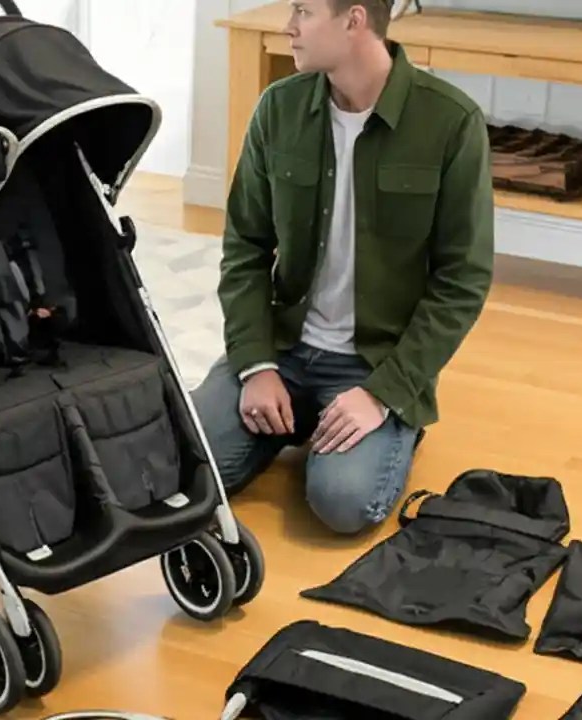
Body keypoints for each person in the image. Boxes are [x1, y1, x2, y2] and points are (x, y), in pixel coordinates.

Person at [191, 0, 495, 535]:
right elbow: (245, 247)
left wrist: (385, 393)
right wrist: (255, 365)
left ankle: (387, 426)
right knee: (181, 466)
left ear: (354, 20)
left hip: (374, 364)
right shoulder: (278, 108)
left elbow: (462, 280)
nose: (288, 27)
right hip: (283, 348)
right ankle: (297, 417)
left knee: (342, 502)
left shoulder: (451, 121)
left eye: (303, 12)